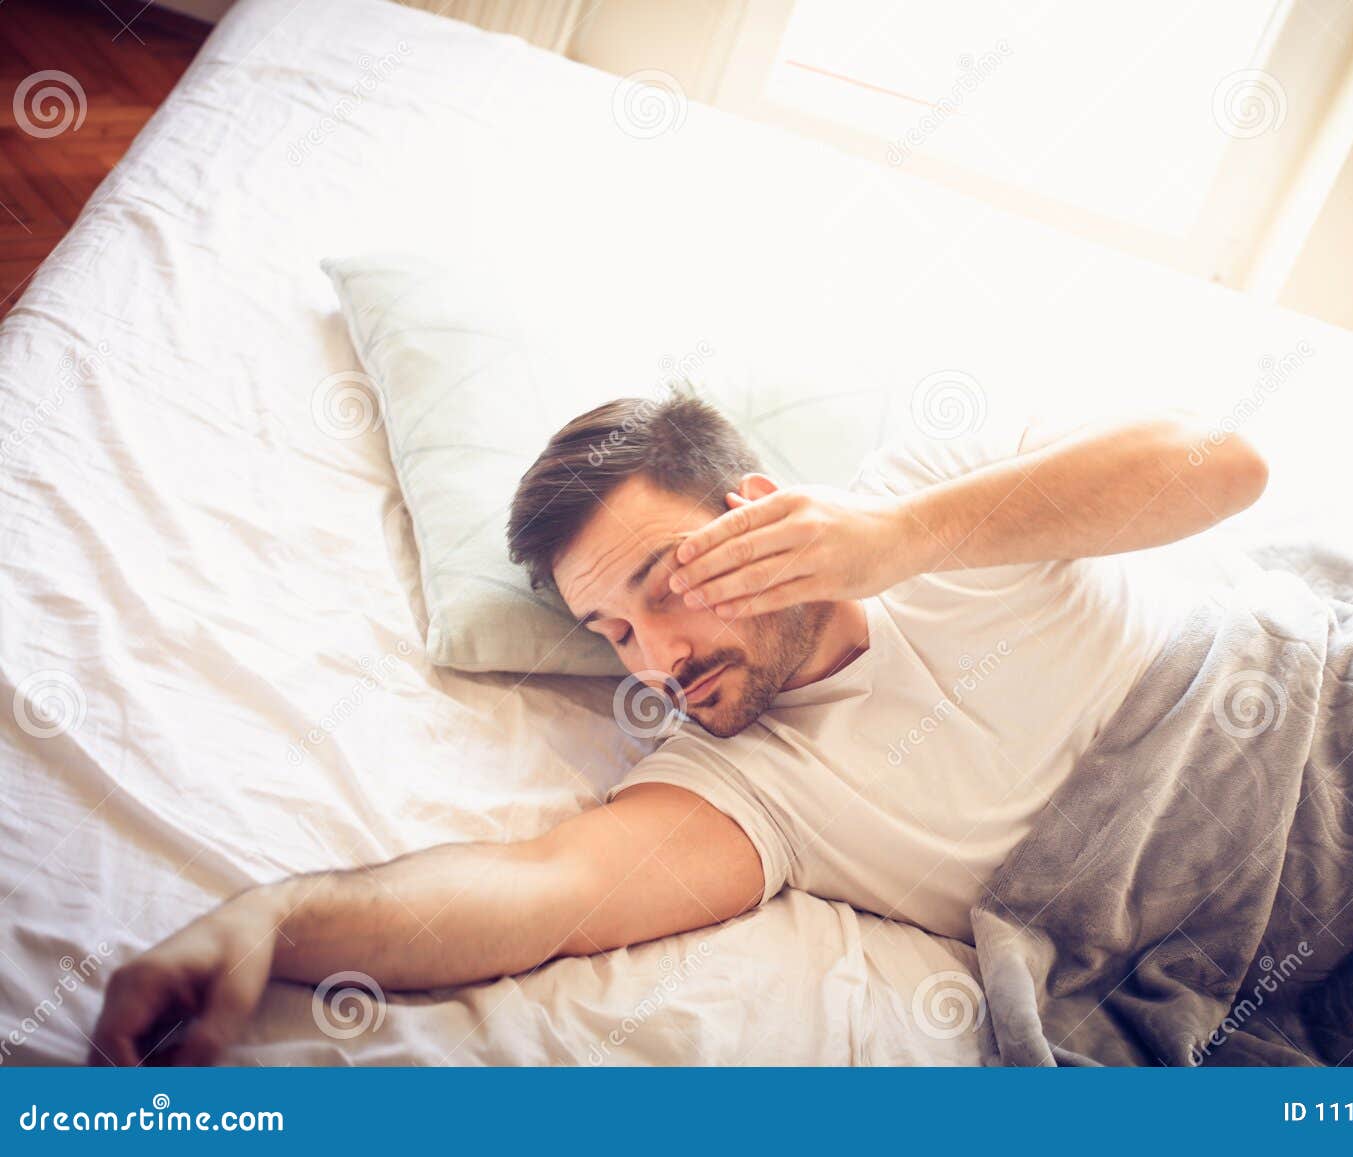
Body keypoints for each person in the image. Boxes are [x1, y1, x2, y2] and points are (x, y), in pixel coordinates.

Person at [89, 390, 1267, 1065]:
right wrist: (276, 915)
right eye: (611, 629)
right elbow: (539, 888)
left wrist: (902, 537)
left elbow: (1224, 463)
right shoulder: (747, 777)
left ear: (752, 512)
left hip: (1350, 759)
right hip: (1231, 946)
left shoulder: (925, 492)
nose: (658, 656)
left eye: (664, 582)